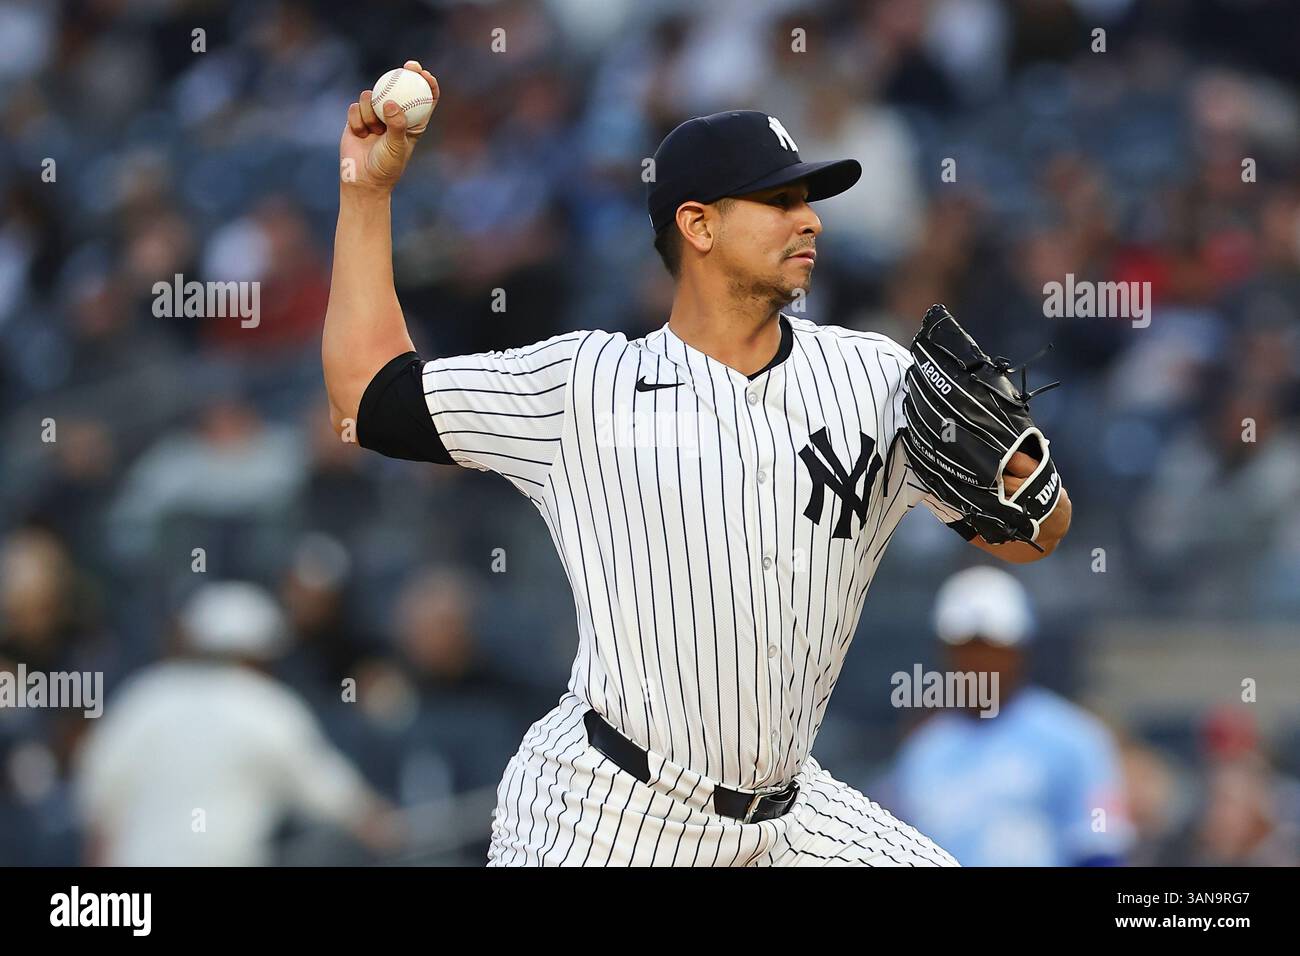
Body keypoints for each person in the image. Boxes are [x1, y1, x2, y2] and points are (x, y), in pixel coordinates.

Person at [322, 61, 1072, 866]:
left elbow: (1033, 539)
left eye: (809, 199)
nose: (810, 220)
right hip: (607, 811)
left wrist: (1029, 483)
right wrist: (367, 197)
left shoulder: (875, 376)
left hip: (790, 814)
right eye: (780, 200)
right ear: (699, 225)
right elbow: (367, 398)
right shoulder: (585, 384)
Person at [74, 581, 399, 865]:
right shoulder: (264, 705)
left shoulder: (147, 695)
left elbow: (95, 799)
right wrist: (393, 829)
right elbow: (340, 799)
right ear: (260, 654)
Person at [891, 566, 1131, 866]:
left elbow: (1099, 852)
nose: (977, 663)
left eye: (991, 649)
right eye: (965, 649)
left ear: (1020, 651)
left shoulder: (1075, 739)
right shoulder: (924, 752)